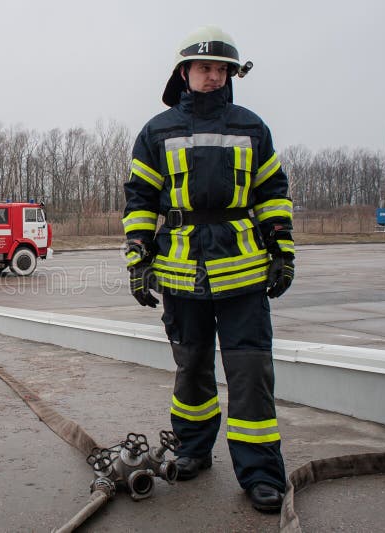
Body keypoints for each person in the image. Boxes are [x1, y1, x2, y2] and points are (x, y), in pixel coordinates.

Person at [122, 25, 295, 513]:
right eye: (205, 68)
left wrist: (282, 250)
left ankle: (261, 474)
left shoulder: (252, 127)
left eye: (222, 70)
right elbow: (139, 200)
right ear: (184, 72)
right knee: (192, 371)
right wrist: (138, 257)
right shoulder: (157, 131)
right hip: (180, 273)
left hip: (243, 276)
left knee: (250, 375)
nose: (213, 76)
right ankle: (193, 451)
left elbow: (271, 194)